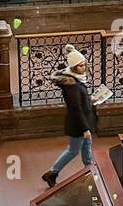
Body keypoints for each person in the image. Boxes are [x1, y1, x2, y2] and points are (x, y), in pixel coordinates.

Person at [41, 47, 98, 188]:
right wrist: (85, 129)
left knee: (87, 147)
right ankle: (52, 173)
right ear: (73, 67)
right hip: (77, 124)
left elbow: (80, 103)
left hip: (83, 121)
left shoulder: (77, 80)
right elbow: (75, 109)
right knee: (73, 150)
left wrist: (91, 100)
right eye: (80, 65)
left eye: (84, 64)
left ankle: (89, 169)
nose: (84, 67)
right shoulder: (72, 86)